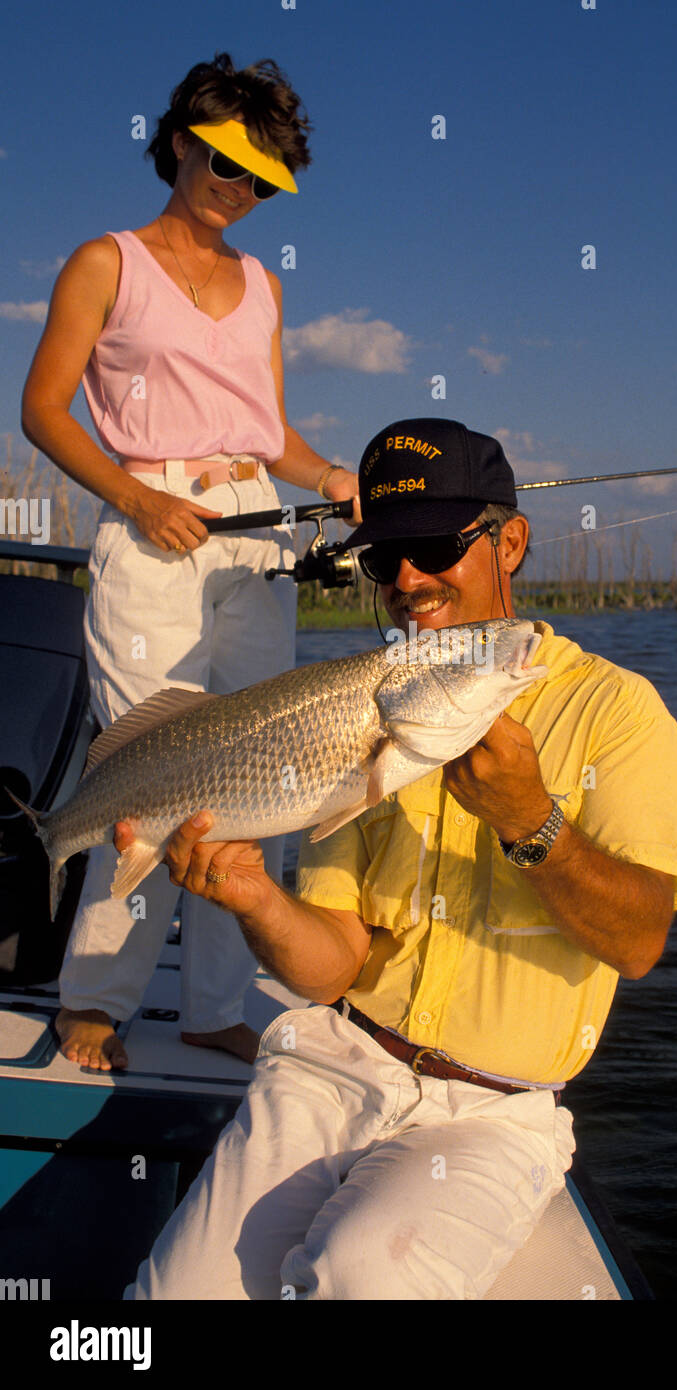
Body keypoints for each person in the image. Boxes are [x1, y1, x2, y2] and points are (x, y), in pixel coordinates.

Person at [122, 417, 677, 1300]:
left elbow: (639, 940)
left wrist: (531, 821)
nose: (407, 580)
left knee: (360, 1278)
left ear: (510, 541)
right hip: (334, 1061)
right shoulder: (365, 706)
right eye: (382, 556)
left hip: (488, 1113)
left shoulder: (618, 712)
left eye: (435, 544)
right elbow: (334, 966)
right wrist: (256, 902)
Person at [20, 54, 360, 1072]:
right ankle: (96, 999)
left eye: (261, 181)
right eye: (225, 165)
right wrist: (135, 497)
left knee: (260, 778)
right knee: (146, 770)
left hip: (256, 535)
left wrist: (335, 474)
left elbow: (270, 434)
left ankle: (217, 1002)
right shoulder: (105, 261)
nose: (239, 192)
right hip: (151, 522)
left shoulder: (264, 285)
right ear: (179, 141)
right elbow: (42, 408)